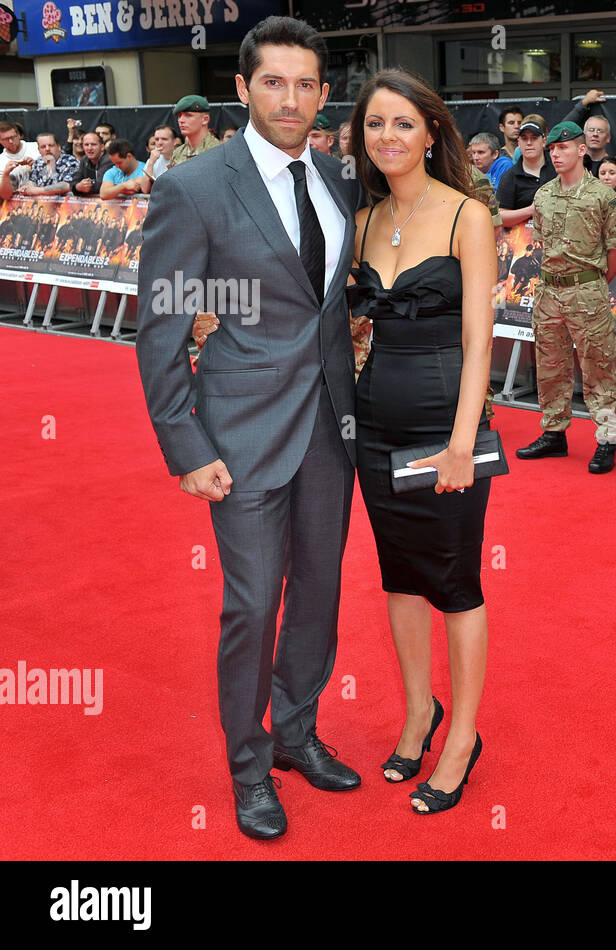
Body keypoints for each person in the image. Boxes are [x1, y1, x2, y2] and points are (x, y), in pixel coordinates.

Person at [135, 15, 363, 840]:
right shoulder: (195, 186)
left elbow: (331, 307)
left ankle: (298, 734)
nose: (291, 98)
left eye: (307, 84)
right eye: (274, 81)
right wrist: (185, 444)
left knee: (322, 595)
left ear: (324, 94)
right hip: (237, 432)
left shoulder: (339, 177)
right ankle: (248, 765)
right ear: (242, 88)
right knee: (252, 602)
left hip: (328, 431)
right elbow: (162, 323)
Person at [346, 68, 494, 811]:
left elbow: (479, 340)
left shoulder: (469, 215)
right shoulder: (366, 219)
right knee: (399, 577)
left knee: (455, 584)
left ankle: (462, 736)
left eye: (404, 123)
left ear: (432, 132)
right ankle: (418, 713)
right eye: (376, 125)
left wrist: (464, 441)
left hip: (446, 428)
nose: (389, 138)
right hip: (375, 426)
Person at [514, 121, 616, 473]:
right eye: (552, 149)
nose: (556, 153)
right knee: (550, 367)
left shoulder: (603, 196)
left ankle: (607, 439)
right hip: (550, 290)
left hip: (587, 292)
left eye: (563, 148)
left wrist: (592, 281)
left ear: (582, 150)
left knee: (598, 367)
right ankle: (554, 432)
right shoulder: (543, 195)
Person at [495, 114, 554, 226]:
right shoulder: (510, 176)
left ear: (544, 141)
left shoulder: (557, 168)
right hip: (522, 240)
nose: (529, 143)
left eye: (534, 138)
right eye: (524, 138)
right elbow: (500, 216)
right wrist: (530, 210)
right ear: (518, 143)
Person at [8, 132, 78, 198]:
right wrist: (27, 188)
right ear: (39, 150)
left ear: (59, 147)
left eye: (51, 145)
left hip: (66, 206)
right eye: (43, 147)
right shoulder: (39, 161)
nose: (47, 149)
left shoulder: (71, 161)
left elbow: (66, 186)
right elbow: (32, 182)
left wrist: (37, 191)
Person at [170, 95, 222, 167]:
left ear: (205, 119)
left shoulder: (218, 151)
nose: (181, 120)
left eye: (188, 115)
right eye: (179, 116)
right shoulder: (177, 153)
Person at [0, 122, 40, 190]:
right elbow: (4, 195)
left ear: (19, 135)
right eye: (6, 139)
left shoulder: (37, 147)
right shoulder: (1, 160)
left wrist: (37, 165)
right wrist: (6, 175)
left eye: (13, 137)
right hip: (16, 198)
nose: (10, 141)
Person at [72, 131, 112, 196]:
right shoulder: (84, 160)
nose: (89, 148)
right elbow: (74, 181)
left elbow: (102, 185)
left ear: (102, 147)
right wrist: (78, 186)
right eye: (86, 145)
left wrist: (88, 186)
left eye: (93, 144)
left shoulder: (110, 160)